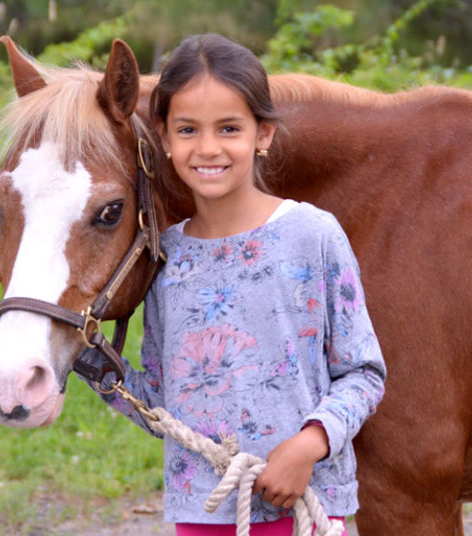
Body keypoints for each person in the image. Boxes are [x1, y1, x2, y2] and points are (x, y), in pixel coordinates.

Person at [80, 33, 386, 536]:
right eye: (187, 129)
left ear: (262, 134)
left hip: (303, 506)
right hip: (202, 511)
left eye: (228, 128)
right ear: (163, 137)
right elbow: (161, 401)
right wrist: (82, 354)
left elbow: (364, 373)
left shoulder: (312, 235)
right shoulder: (166, 258)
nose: (207, 148)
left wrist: (308, 445)